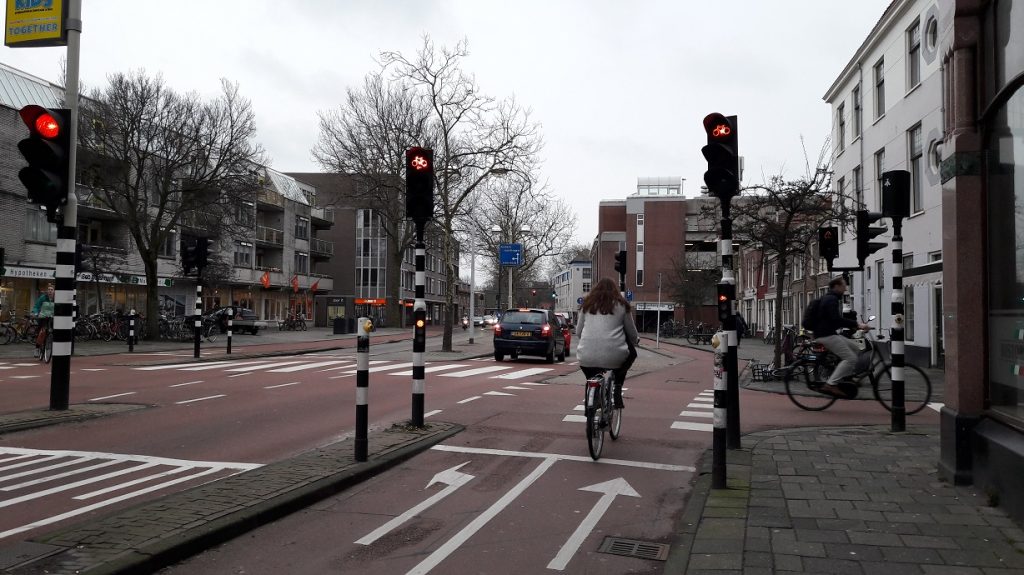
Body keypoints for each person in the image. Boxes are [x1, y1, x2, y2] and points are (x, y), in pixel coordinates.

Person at [575, 277, 640, 409]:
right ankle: (617, 385)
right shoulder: (622, 305)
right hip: (615, 356)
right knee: (632, 354)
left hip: (586, 357)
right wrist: (635, 340)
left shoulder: (586, 305)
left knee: (590, 376)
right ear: (614, 290)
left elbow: (578, 332)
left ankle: (592, 400)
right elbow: (631, 332)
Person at [814, 277, 872, 397]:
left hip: (829, 333)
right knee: (851, 359)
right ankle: (830, 384)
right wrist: (857, 324)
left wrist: (854, 326)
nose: (845, 288)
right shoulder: (831, 300)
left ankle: (845, 377)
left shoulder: (832, 298)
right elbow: (836, 319)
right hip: (826, 335)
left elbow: (834, 320)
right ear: (836, 286)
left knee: (856, 348)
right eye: (843, 285)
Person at [31, 283, 55, 355]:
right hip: (43, 316)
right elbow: (37, 306)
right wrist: (35, 312)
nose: (50, 291)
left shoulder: (56, 299)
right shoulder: (43, 297)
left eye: (52, 290)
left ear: (54, 291)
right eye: (49, 289)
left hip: (52, 317)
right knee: (42, 332)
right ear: (47, 291)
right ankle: (37, 348)